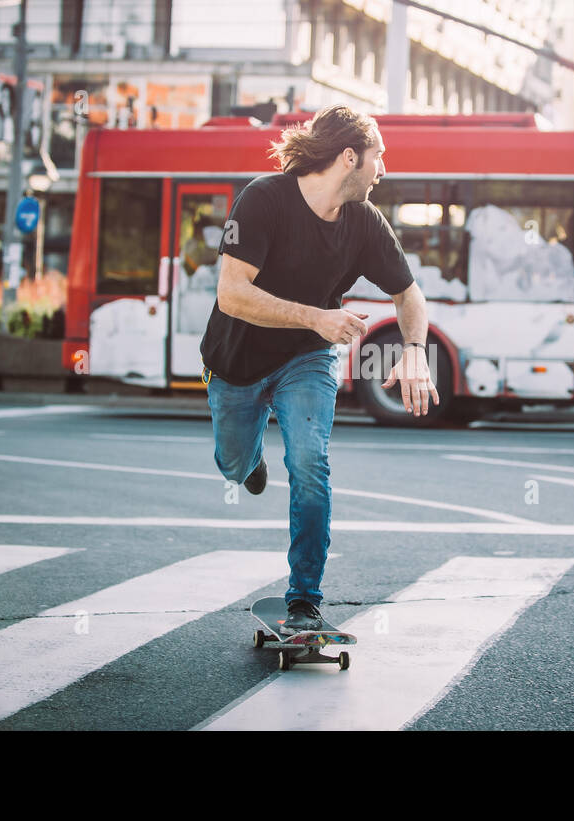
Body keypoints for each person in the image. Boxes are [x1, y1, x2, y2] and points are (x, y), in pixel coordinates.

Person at [200, 104, 439, 634]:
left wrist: (415, 350)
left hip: (305, 360)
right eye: (379, 158)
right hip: (236, 360)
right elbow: (232, 294)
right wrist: (317, 315)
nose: (384, 170)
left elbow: (408, 293)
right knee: (232, 465)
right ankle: (249, 461)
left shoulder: (364, 223)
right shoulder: (264, 199)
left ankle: (305, 598)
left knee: (311, 464)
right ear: (349, 157)